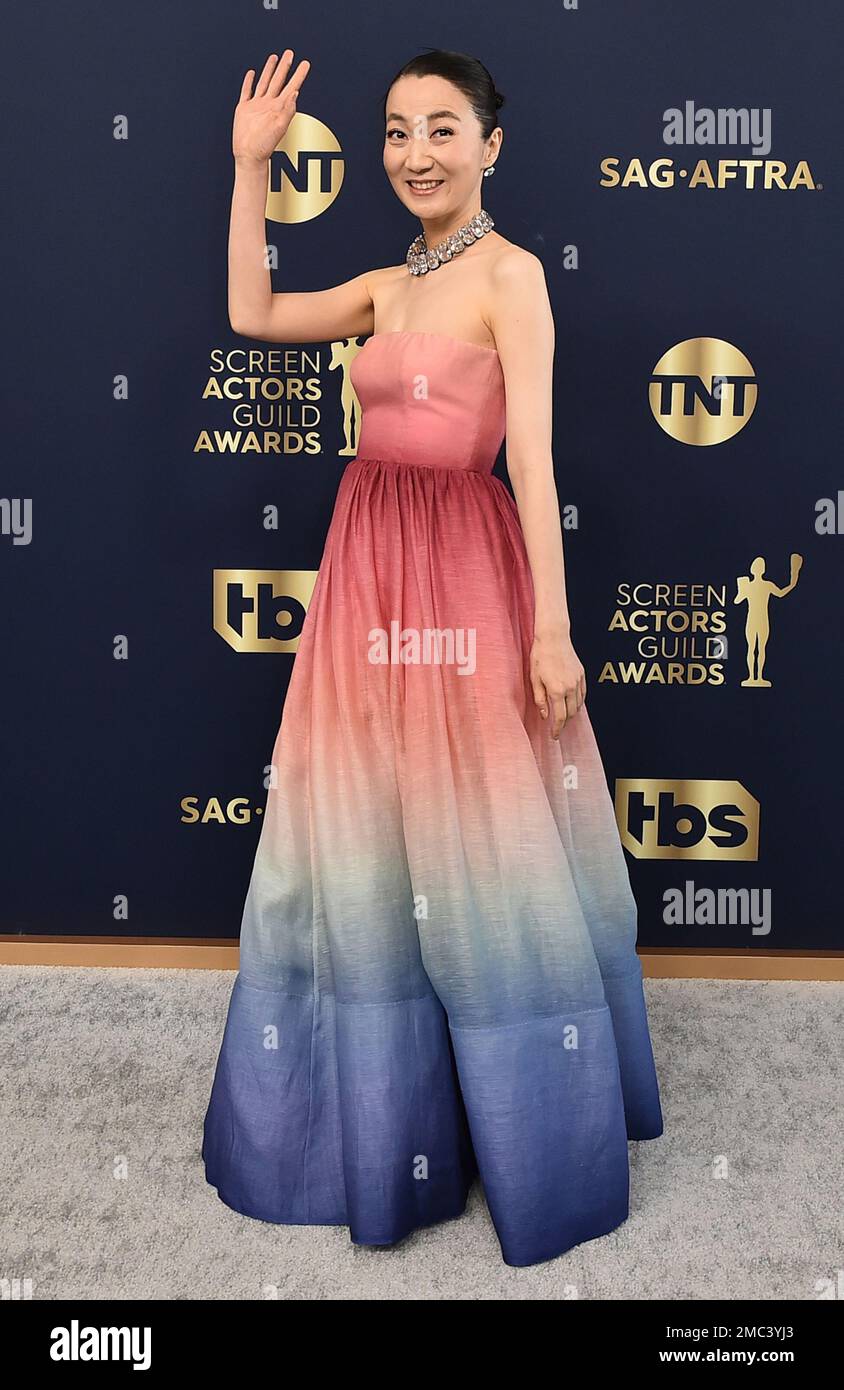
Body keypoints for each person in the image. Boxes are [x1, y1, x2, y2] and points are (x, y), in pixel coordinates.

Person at [203, 46, 663, 1268]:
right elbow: (253, 313)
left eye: (443, 129)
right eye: (399, 131)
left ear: (491, 146)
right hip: (365, 566)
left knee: (480, 836)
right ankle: (394, 1117)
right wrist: (252, 169)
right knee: (368, 825)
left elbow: (535, 467)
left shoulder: (510, 279)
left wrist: (552, 630)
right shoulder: (380, 283)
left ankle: (524, 1127)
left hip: (463, 569)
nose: (416, 152)